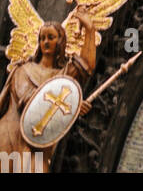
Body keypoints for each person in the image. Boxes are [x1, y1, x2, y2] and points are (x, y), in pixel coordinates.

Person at [0, 12, 95, 171]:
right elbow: (27, 101)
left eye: (51, 37)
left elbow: (86, 66)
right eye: (42, 38)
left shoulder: (63, 74)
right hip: (10, 134)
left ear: (61, 41)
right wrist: (71, 105)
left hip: (38, 141)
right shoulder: (23, 69)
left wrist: (90, 29)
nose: (46, 42)